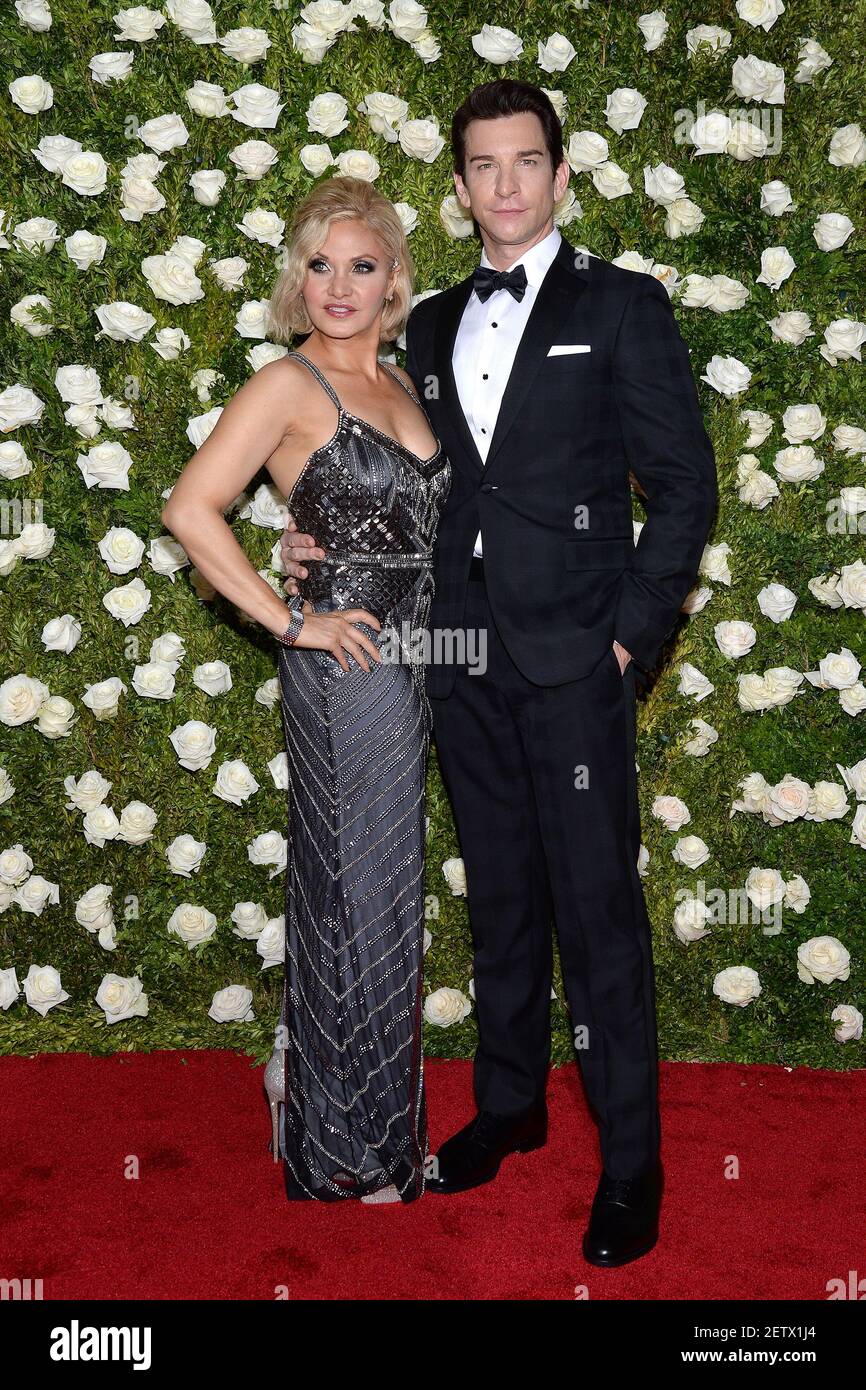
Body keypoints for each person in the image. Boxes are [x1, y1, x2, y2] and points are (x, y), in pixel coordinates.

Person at [280, 80, 718, 1262]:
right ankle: (512, 1105)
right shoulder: (419, 324)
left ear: (559, 176)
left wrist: (627, 639)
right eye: (484, 165)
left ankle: (632, 1166)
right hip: (454, 658)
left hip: (576, 660)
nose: (507, 184)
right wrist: (300, 528)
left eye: (527, 162)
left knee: (597, 916)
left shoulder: (622, 307)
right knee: (502, 902)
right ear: (462, 185)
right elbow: (359, 447)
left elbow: (684, 493)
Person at [162, 175, 451, 1204]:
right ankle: (344, 1147)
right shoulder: (288, 384)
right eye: (319, 264)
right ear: (299, 277)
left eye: (360, 265)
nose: (338, 284)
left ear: (391, 279)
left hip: (423, 657)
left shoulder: (408, 384)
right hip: (348, 667)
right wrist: (291, 618)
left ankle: (320, 1084)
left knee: (383, 889)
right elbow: (191, 509)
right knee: (357, 892)